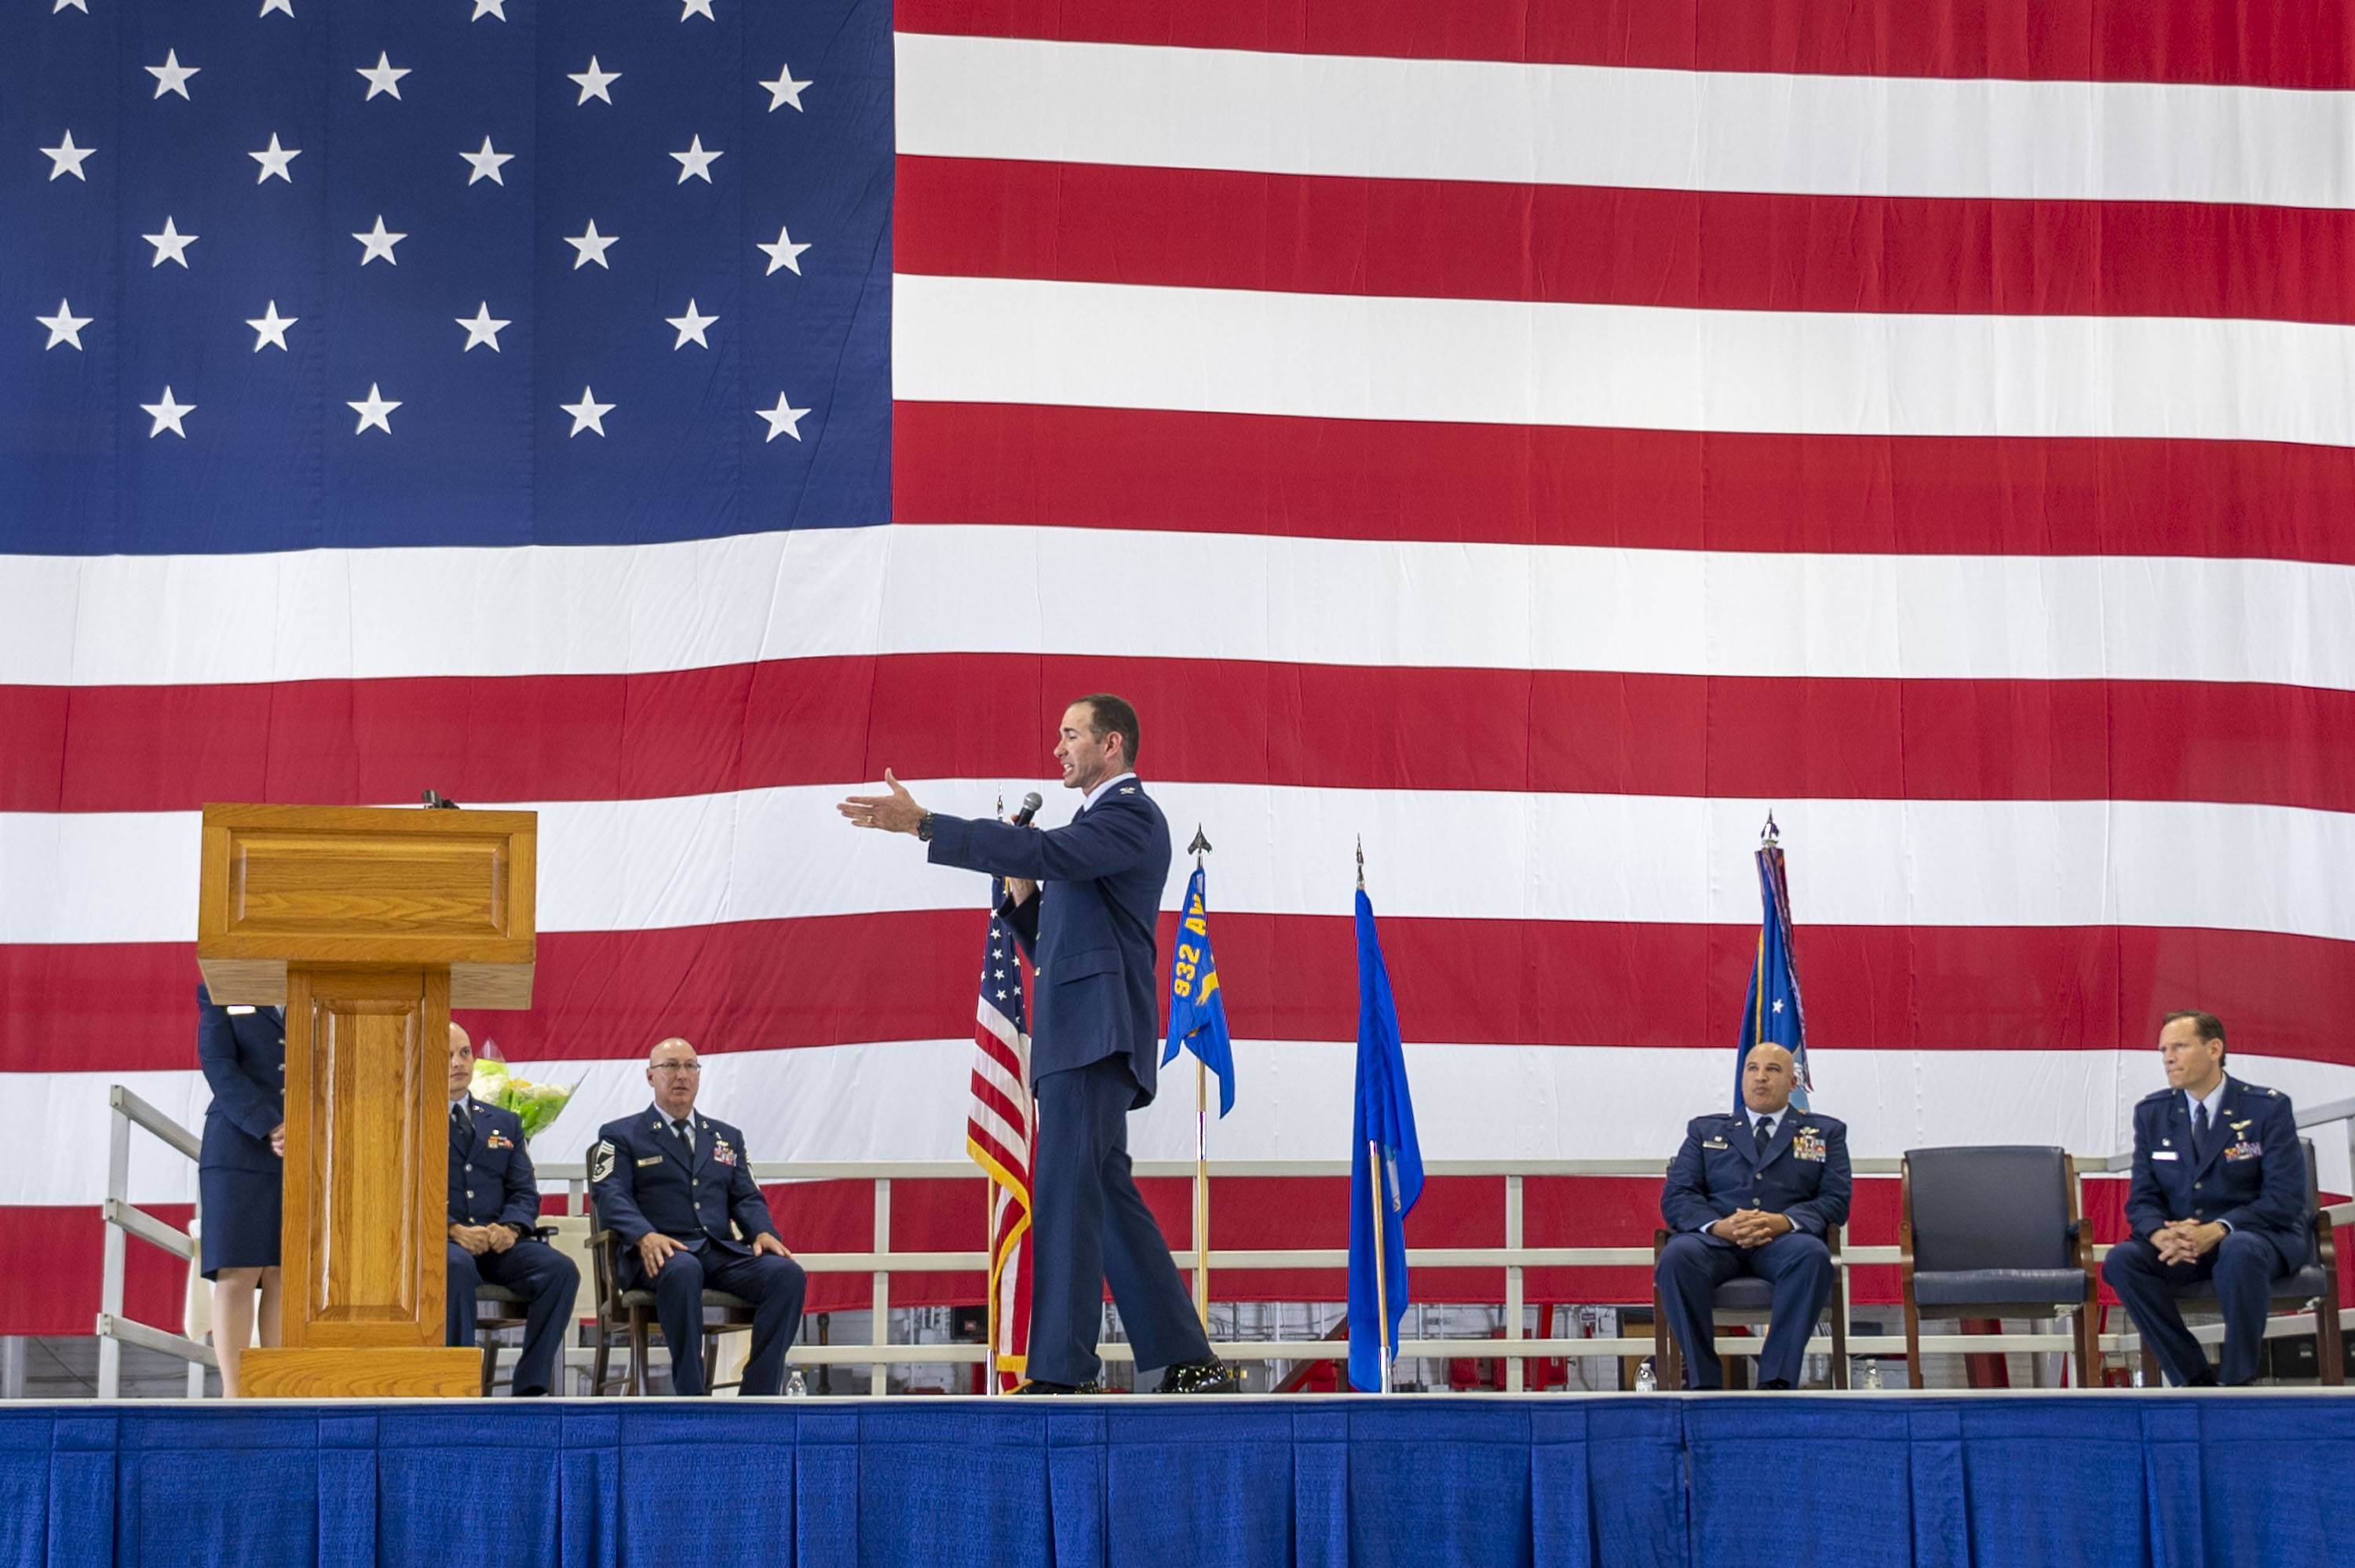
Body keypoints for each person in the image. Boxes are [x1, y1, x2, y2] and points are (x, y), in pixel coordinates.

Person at [838, 693, 1235, 1395]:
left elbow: (1054, 853)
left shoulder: (1131, 814)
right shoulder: (1096, 828)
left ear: (1112, 745)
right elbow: (1060, 938)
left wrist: (926, 823)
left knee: (1066, 1200)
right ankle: (1187, 1355)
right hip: (1077, 1034)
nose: (1058, 748)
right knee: (1104, 1194)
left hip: (1093, 1035)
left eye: (1071, 735)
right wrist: (1023, 899)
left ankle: (1063, 1370)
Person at [588, 1038, 806, 1395]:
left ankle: (759, 1394)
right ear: (650, 1076)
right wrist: (644, 1234)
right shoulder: (622, 1134)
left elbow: (747, 1196)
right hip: (658, 1254)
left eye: (691, 1066)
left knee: (786, 1275)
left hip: (717, 1252)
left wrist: (763, 1232)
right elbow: (610, 1195)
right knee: (684, 1269)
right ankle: (692, 1396)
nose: (682, 1075)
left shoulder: (725, 1137)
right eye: (671, 1066)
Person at [2101, 1010, 2307, 1387]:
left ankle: (2237, 1380)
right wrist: (2159, 1234)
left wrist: (2221, 1228)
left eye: (2179, 1046)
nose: (2167, 1057)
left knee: (2239, 1251)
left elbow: (2285, 1199)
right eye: (2163, 1049)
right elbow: (2142, 1199)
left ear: (2214, 1048)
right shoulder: (2153, 1114)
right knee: (2122, 1261)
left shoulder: (2266, 1109)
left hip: (2257, 1238)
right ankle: (2193, 1377)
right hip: (2186, 1244)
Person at [1656, 1044, 1851, 1389]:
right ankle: (1703, 1383)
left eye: (1773, 1070)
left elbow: (1835, 1200)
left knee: (1813, 1257)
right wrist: (1718, 1225)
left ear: (1793, 1082)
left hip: (1784, 1242)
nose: (1761, 1077)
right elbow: (1677, 1196)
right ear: (1742, 1078)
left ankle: (1776, 1379)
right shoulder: (1704, 1132)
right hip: (1715, 1242)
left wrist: (1782, 1222)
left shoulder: (1825, 1132)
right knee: (1676, 1257)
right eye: (1752, 1069)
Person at [445, 1023, 579, 1396]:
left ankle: (530, 1387)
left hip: (499, 1242)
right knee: (454, 1268)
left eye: (465, 1053)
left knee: (560, 1271)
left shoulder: (505, 1122)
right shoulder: (413, 1119)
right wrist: (452, 1229)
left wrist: (512, 1228)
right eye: (447, 1055)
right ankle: (459, 1385)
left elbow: (524, 1191)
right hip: (447, 1243)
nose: (459, 1063)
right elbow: (406, 1197)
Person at [194, 981, 284, 1398]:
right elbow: (218, 1064)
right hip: (238, 1145)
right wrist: (270, 1123)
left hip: (310, 1144)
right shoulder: (221, 986)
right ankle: (236, 1398)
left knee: (287, 1273)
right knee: (237, 1271)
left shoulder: (321, 984)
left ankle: (282, 1392)